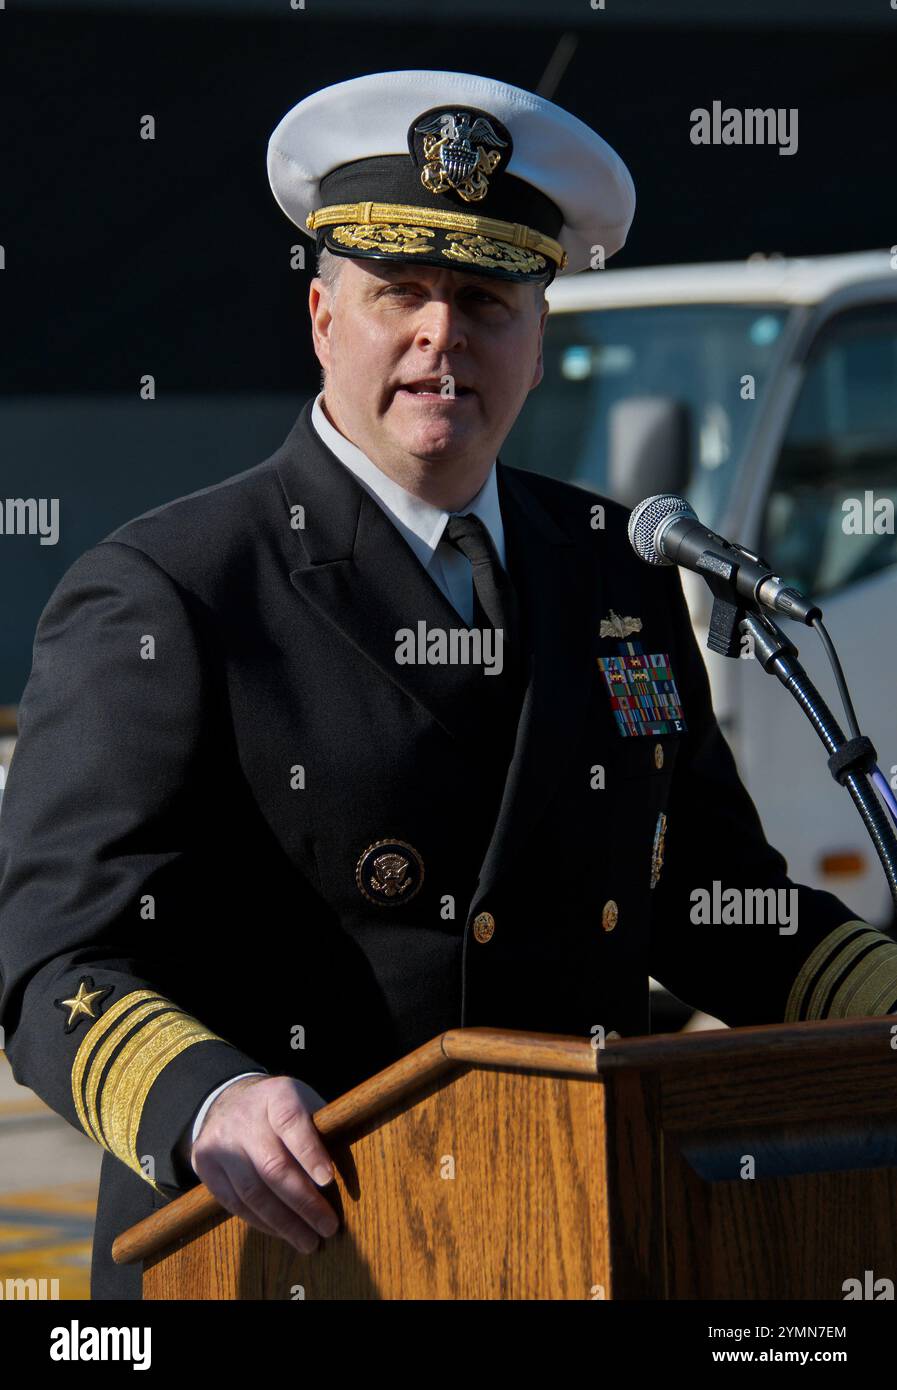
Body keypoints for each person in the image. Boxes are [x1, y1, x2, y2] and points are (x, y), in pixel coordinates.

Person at [2, 69, 896, 1302]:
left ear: (538, 343)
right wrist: (207, 1096)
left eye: (485, 298)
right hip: (282, 1253)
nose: (442, 336)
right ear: (323, 319)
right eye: (400, 296)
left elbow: (704, 892)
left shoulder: (615, 567)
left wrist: (881, 996)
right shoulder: (169, 591)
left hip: (565, 1237)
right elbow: (58, 961)